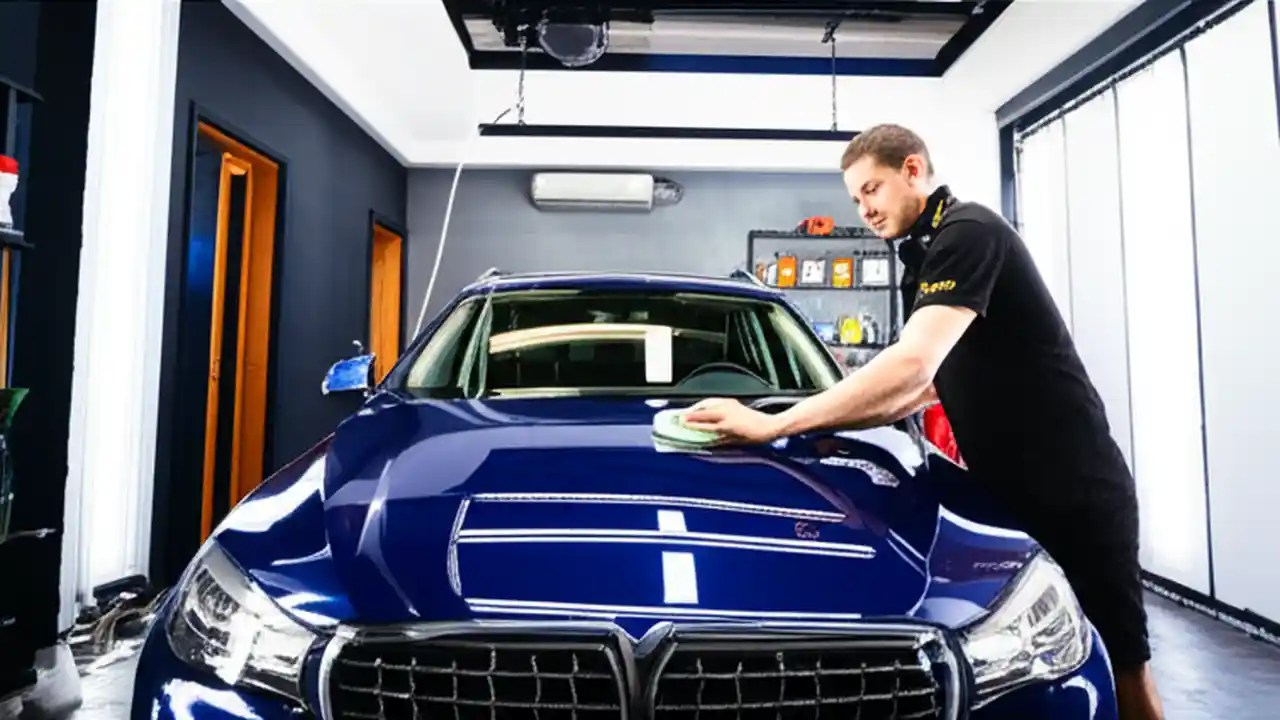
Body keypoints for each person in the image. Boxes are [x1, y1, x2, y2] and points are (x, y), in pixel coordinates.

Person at [683, 123, 1164, 720]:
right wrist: (800, 421)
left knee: (1121, 668)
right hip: (1000, 498)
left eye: (872, 190)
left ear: (913, 171)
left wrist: (770, 425)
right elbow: (926, 387)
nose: (864, 209)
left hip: (1073, 490)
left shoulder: (969, 232)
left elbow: (912, 369)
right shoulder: (927, 255)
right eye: (856, 199)